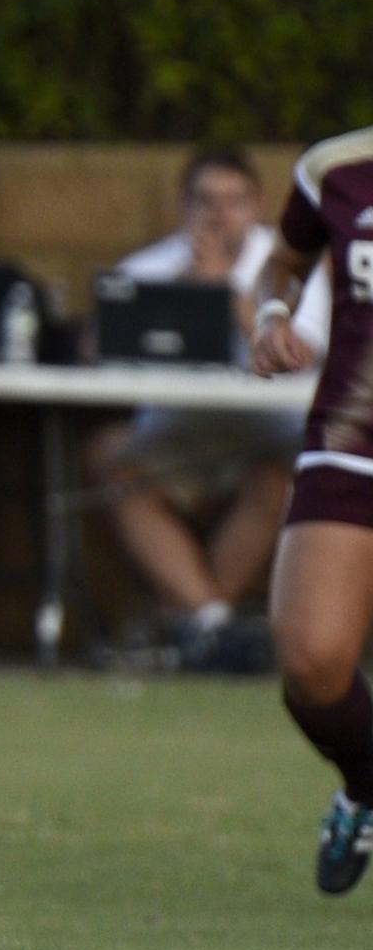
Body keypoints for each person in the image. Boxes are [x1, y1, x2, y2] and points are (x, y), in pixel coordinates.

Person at [83, 147, 329, 672]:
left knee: (285, 474)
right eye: (206, 201)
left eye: (234, 202)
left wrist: (229, 295)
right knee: (109, 458)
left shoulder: (287, 270)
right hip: (175, 441)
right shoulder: (151, 266)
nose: (219, 215)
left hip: (265, 438)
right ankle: (215, 626)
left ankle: (191, 629)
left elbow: (301, 362)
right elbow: (95, 352)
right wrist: (172, 300)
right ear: (182, 205)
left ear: (259, 205)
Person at [250, 126, 373, 894]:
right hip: (352, 439)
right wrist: (270, 317)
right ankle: (365, 783)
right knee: (312, 660)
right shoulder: (339, 167)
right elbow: (282, 264)